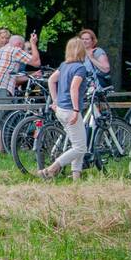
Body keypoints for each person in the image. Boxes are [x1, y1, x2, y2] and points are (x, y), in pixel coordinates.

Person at [39, 37, 90, 181]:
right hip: (70, 110)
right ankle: (50, 170)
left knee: (77, 144)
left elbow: (51, 80)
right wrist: (75, 110)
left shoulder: (64, 65)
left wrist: (55, 100)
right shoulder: (80, 68)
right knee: (80, 148)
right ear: (81, 50)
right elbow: (74, 88)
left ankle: (76, 178)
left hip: (60, 109)